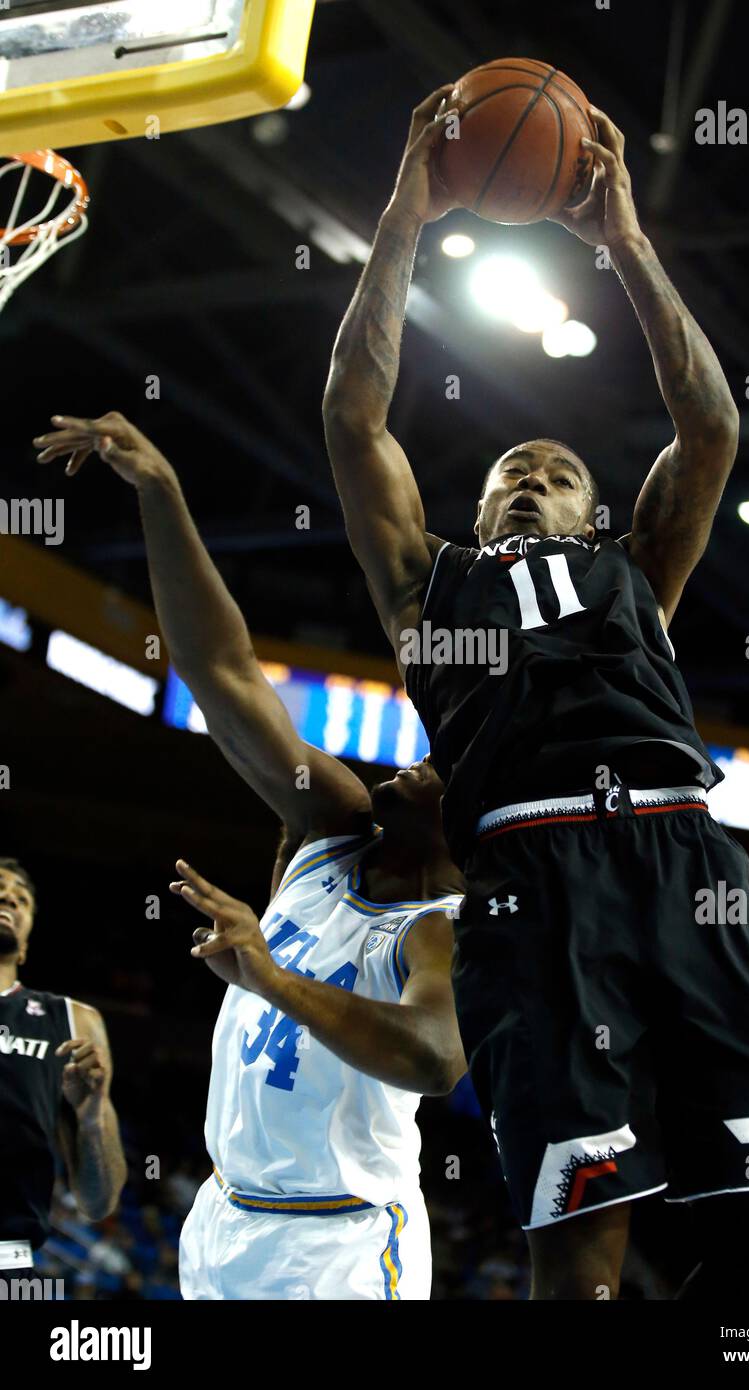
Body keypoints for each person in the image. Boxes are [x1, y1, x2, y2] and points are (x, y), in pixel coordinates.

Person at [321, 89, 749, 1300]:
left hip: (680, 858)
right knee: (578, 1251)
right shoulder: (425, 584)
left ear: (594, 511)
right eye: (510, 471)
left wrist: (626, 246)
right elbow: (350, 413)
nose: (532, 477)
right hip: (531, 883)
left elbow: (706, 428)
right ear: (482, 511)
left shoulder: (634, 567)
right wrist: (404, 215)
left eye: (556, 471)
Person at [34, 413, 466, 1301]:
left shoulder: (443, 928)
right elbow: (222, 670)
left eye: (441, 759)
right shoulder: (333, 826)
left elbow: (436, 1059)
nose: (416, 752)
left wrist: (270, 977)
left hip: (342, 1245)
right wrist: (162, 493)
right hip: (224, 1220)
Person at [0, 857, 126, 1280]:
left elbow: (98, 1203)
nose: (8, 899)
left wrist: (93, 1117)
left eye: (22, 900)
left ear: (27, 941)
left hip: (9, 1267)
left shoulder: (73, 1021)